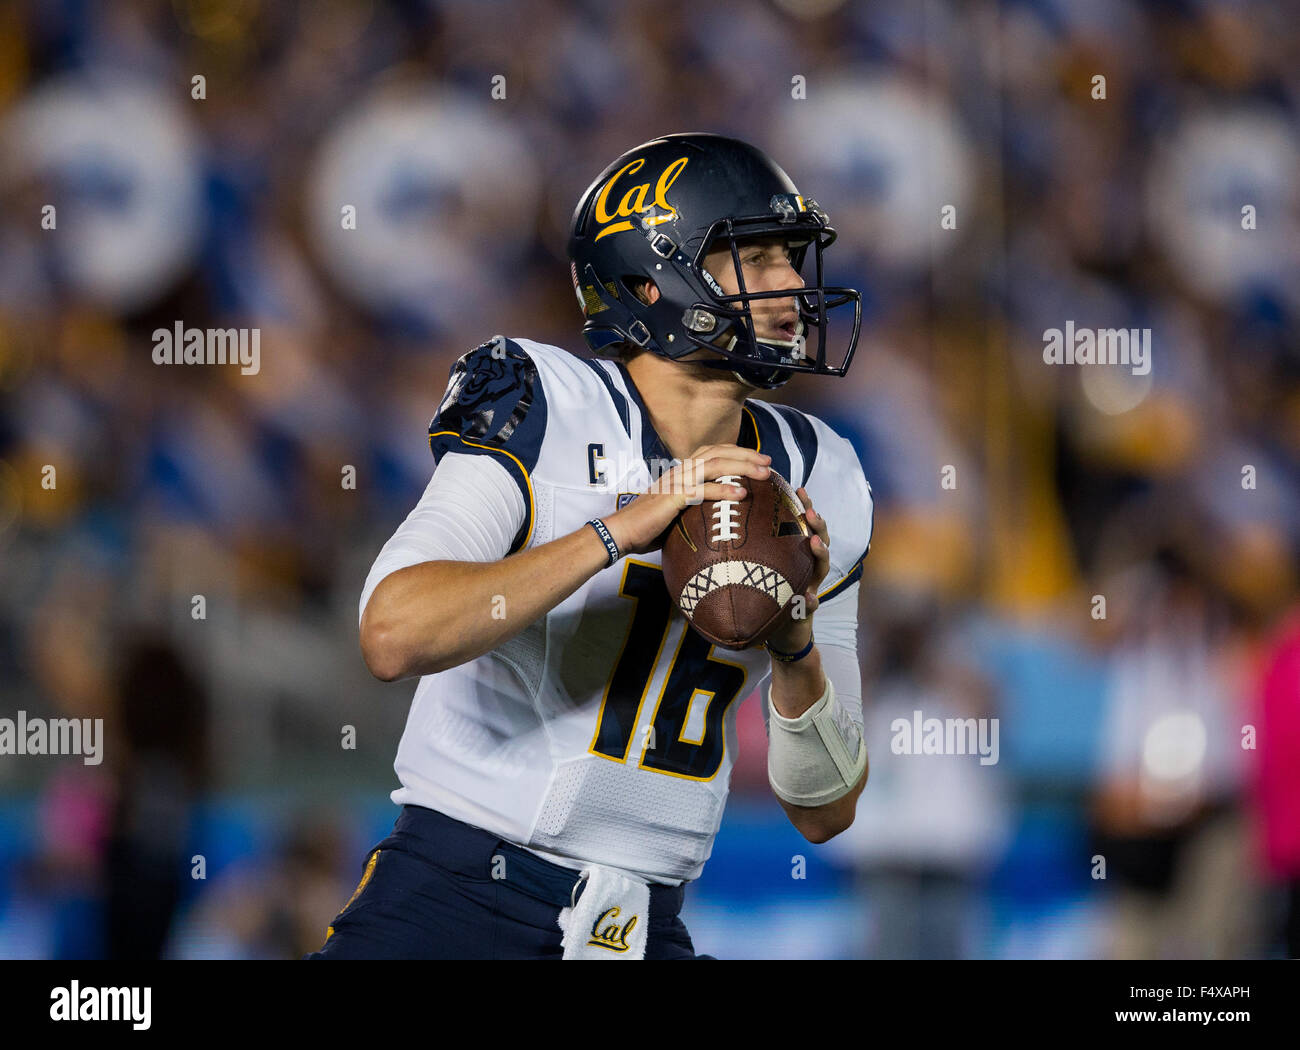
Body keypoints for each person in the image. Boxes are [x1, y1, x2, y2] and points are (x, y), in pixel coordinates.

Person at [305, 133, 875, 960]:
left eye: (793, 258)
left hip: (642, 923)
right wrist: (618, 531)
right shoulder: (546, 400)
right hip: (459, 898)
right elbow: (393, 633)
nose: (791, 286)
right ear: (654, 278)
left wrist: (795, 647)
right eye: (757, 258)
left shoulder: (822, 471)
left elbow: (826, 811)